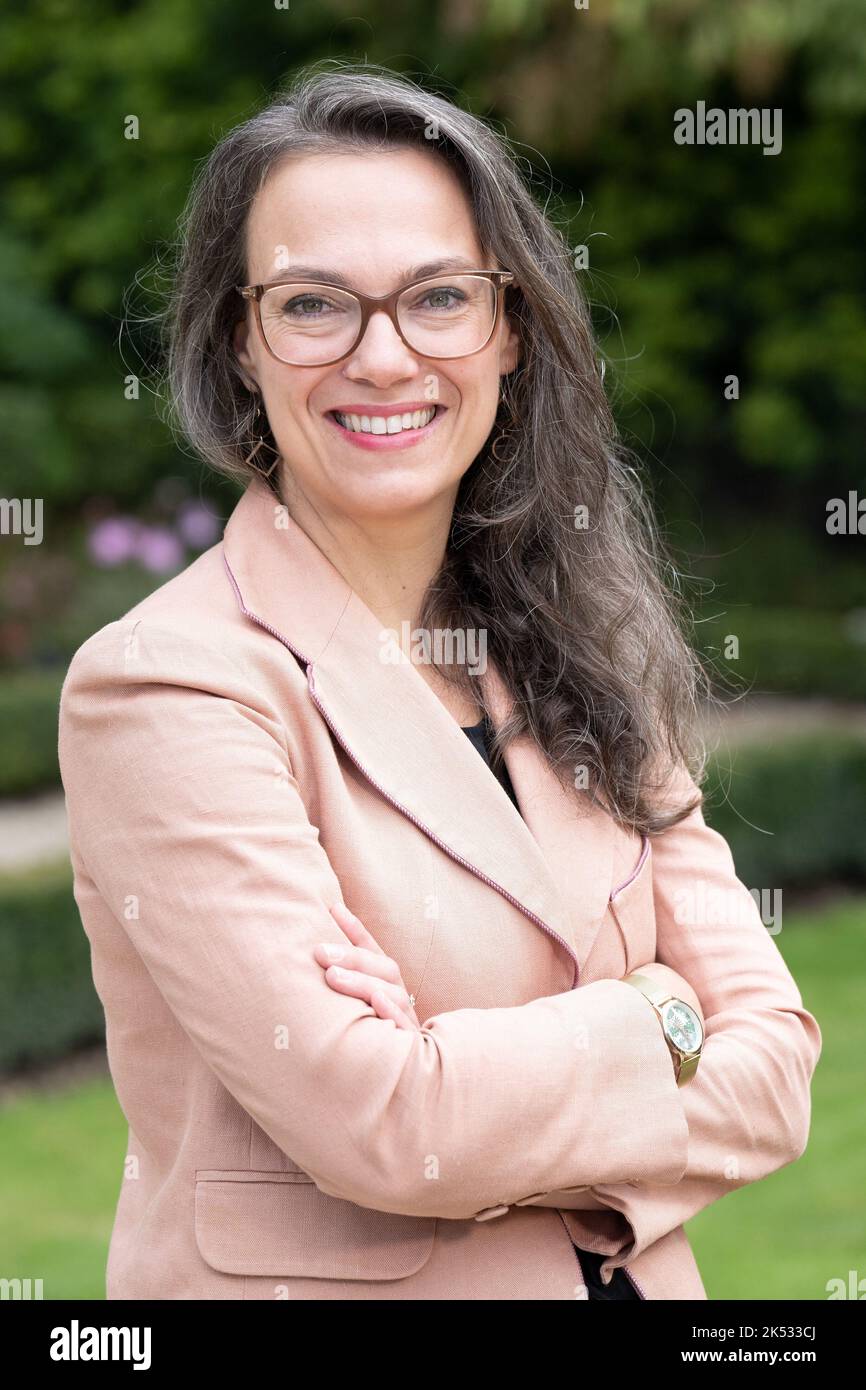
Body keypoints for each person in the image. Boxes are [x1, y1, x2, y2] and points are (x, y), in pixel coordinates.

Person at [58, 62, 821, 1301]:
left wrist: (459, 1072)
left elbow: (777, 1066)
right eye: (313, 305)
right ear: (240, 341)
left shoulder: (573, 638)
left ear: (506, 329)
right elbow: (380, 1119)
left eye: (437, 297)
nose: (382, 354)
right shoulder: (167, 685)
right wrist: (659, 1020)